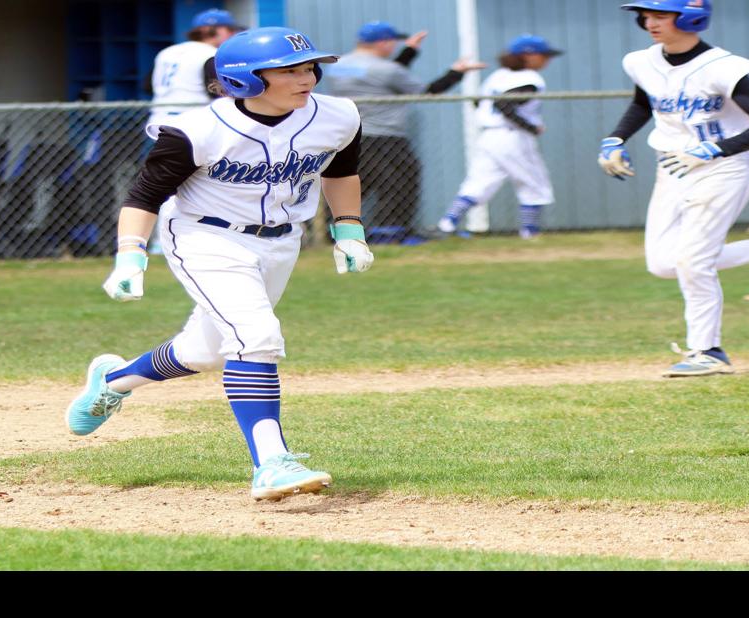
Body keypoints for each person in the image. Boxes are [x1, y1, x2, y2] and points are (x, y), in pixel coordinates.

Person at [65, 26, 372, 502]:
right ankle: (271, 463)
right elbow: (145, 195)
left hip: (281, 241)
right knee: (255, 336)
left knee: (205, 351)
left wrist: (348, 228)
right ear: (246, 78)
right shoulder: (198, 131)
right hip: (204, 237)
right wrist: (130, 256)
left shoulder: (337, 115)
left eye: (309, 67)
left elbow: (340, 171)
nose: (307, 77)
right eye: (288, 70)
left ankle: (112, 381)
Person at [597, 1, 749, 378]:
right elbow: (643, 104)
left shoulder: (723, 68)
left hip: (725, 167)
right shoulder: (642, 61)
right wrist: (614, 139)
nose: (650, 22)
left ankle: (708, 351)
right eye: (645, 15)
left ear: (690, 18)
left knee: (693, 261)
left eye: (660, 15)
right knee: (664, 264)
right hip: (673, 166)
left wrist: (717, 148)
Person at [320, 21, 484, 244]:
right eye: (393, 43)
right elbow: (428, 92)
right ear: (383, 43)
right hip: (385, 138)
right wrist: (456, 72)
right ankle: (390, 233)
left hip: (350, 137)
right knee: (398, 183)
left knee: (354, 184)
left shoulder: (339, 66)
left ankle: (337, 232)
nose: (394, 48)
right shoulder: (387, 69)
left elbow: (382, 75)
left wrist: (409, 51)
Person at [436, 35, 562, 240]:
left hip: (489, 136)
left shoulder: (499, 75)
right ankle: (530, 232)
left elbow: (480, 102)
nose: (547, 60)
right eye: (544, 55)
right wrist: (531, 127)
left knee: (479, 182)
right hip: (513, 137)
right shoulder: (529, 78)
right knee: (534, 182)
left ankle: (447, 224)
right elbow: (503, 104)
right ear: (528, 56)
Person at [147, 8, 245, 132]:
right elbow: (218, 93)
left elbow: (147, 86)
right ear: (215, 30)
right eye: (230, 30)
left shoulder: (168, 51)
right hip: (191, 121)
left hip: (157, 120)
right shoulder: (210, 53)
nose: (232, 34)